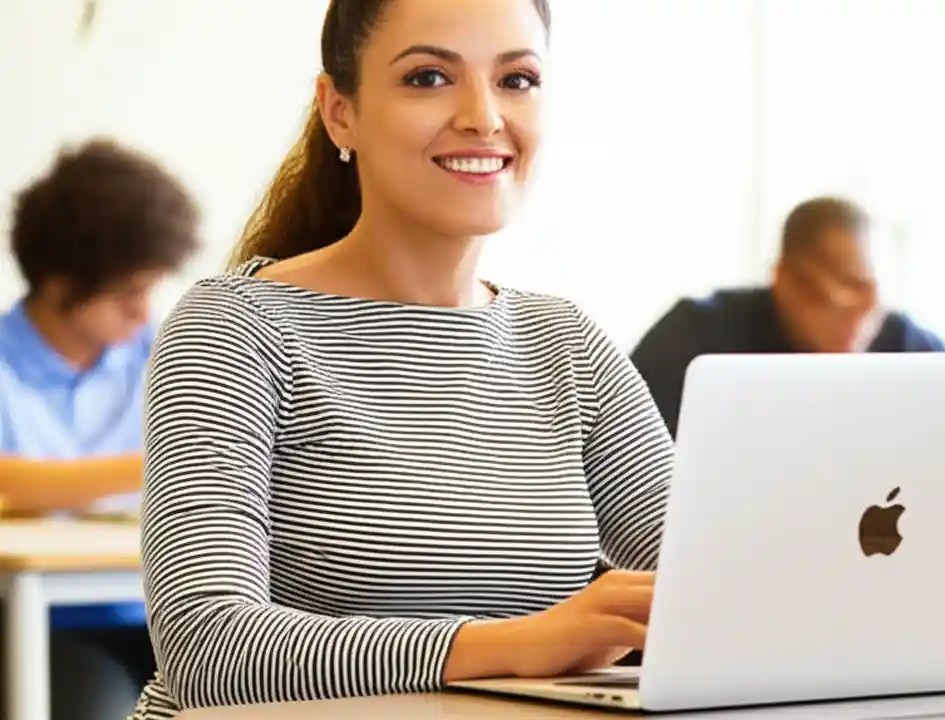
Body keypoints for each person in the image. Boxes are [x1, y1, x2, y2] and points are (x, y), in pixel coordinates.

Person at [132, 0, 672, 717]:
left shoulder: (564, 341)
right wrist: (513, 644)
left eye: (517, 80)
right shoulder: (237, 327)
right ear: (339, 112)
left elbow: (709, 579)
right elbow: (209, 652)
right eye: (428, 78)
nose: (484, 117)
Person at [0, 139, 198, 719]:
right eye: (129, 292)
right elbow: (11, 482)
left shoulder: (160, 353)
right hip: (43, 625)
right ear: (63, 280)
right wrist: (177, 452)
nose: (144, 311)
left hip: (168, 620)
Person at [631, 196, 945, 436]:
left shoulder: (914, 351)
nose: (863, 313)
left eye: (875, 293)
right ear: (784, 278)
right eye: (845, 288)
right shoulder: (696, 334)